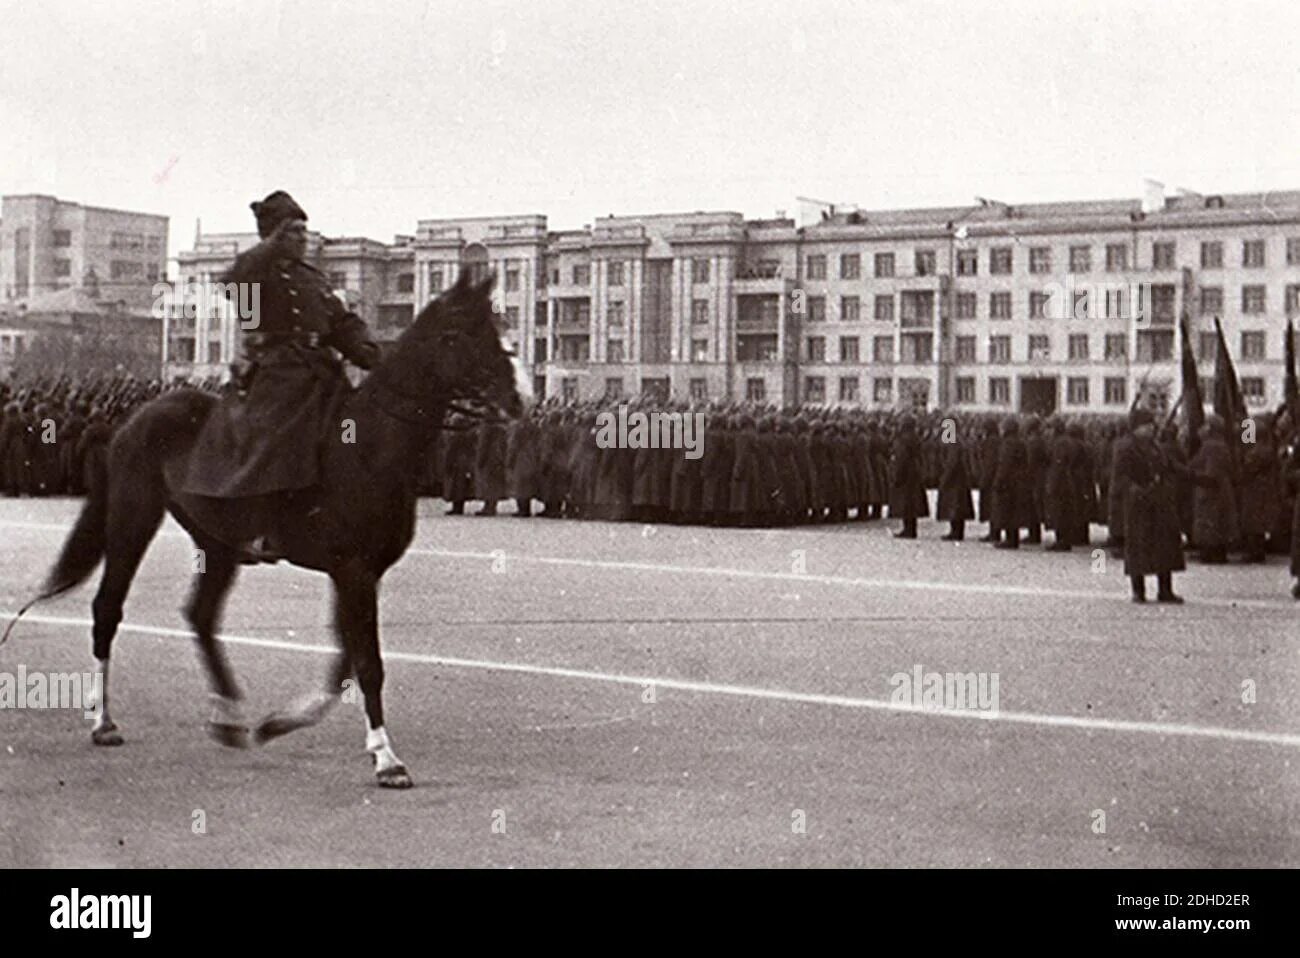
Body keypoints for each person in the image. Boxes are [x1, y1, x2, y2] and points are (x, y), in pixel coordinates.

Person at [183, 191, 380, 561]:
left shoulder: (313, 279)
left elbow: (341, 321)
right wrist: (270, 247)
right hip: (276, 374)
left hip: (323, 373)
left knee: (354, 430)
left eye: (305, 232)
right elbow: (234, 286)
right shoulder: (254, 274)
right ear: (274, 236)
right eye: (294, 232)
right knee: (281, 434)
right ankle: (259, 527)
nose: (303, 240)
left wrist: (372, 353)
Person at [1113, 408, 1186, 603]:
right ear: (1136, 427)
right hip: (1139, 505)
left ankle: (1165, 589)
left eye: (1152, 424)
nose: (1152, 427)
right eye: (1147, 424)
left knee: (1165, 547)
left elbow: (1171, 466)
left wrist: (1193, 476)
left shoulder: (1156, 446)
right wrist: (1136, 491)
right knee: (1139, 547)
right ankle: (1139, 590)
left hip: (1160, 502)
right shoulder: (1125, 447)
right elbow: (1120, 477)